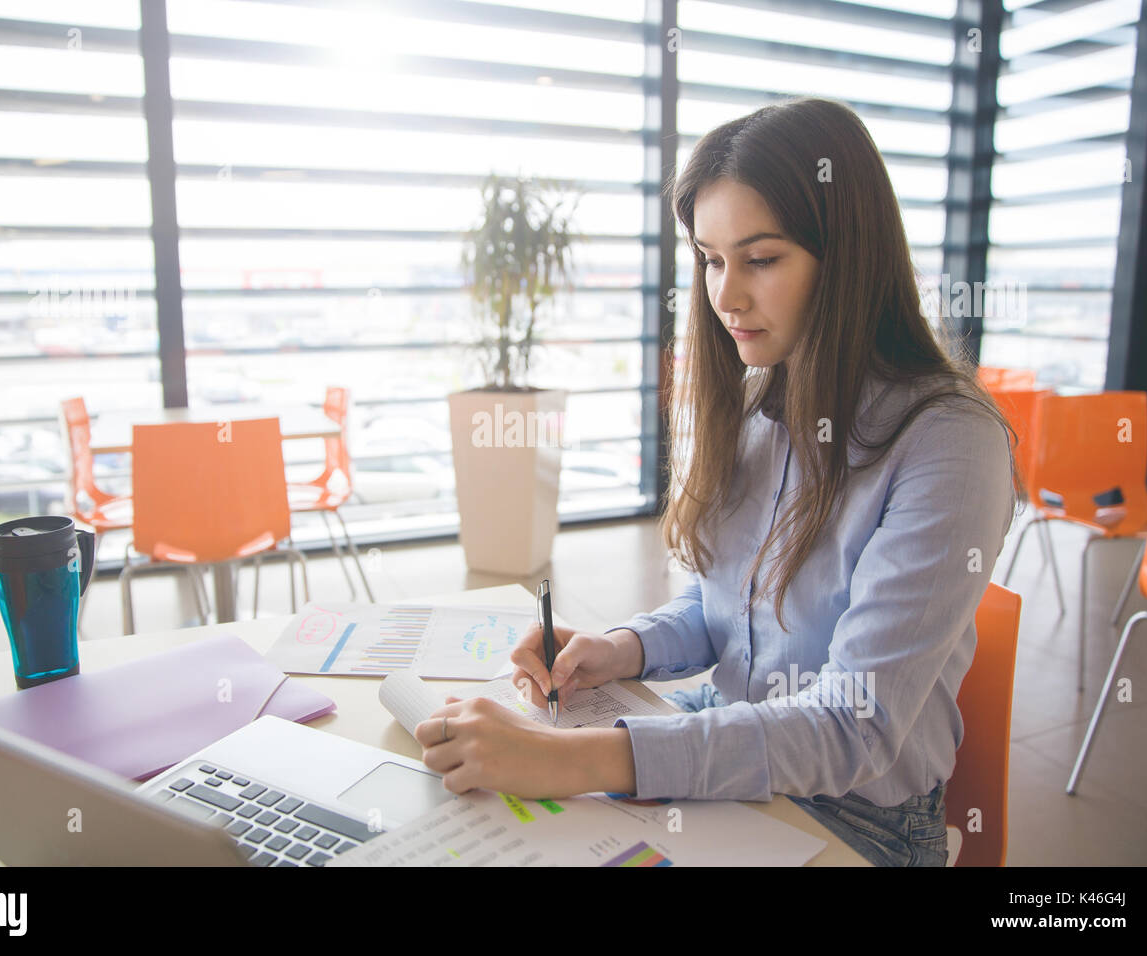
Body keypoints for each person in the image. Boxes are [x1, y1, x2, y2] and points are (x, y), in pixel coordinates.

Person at [413, 97, 1020, 867]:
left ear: (849, 257)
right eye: (709, 259)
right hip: (733, 750)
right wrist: (620, 649)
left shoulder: (951, 441)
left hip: (857, 819)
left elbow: (851, 727)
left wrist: (569, 759)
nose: (726, 295)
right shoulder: (758, 393)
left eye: (761, 259)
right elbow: (724, 602)